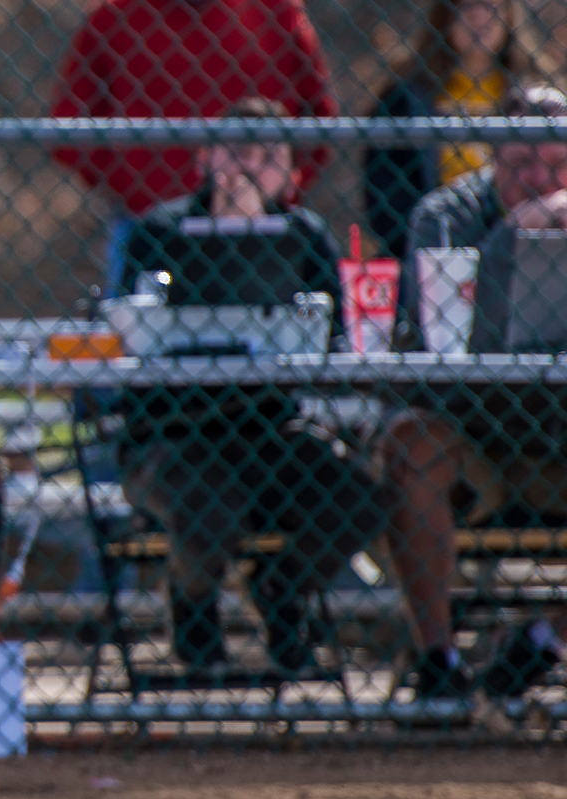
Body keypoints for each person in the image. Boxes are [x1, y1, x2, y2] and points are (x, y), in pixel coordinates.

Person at [116, 98, 389, 674]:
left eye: (268, 157)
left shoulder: (301, 234)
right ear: (206, 158)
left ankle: (278, 588)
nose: (248, 169)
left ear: (291, 172)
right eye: (236, 153)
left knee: (358, 500)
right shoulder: (161, 232)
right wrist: (220, 233)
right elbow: (133, 330)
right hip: (174, 432)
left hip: (270, 429)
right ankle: (192, 608)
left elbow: (332, 336)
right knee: (210, 503)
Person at [381, 85, 567, 700]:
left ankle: (546, 640)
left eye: (559, 167)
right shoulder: (447, 215)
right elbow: (442, 336)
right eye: (521, 167)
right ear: (492, 161)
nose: (541, 181)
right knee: (409, 441)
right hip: (479, 438)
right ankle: (439, 663)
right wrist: (515, 234)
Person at [49, 0, 338, 288]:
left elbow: (321, 116)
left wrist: (282, 185)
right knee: (137, 320)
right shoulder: (114, 15)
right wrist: (127, 182)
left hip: (269, 225)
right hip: (148, 225)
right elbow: (67, 124)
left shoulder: (276, 10)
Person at [363, 0, 543, 258]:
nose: (479, 19)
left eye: (493, 8)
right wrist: (425, 238)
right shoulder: (407, 96)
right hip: (439, 236)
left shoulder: (535, 93)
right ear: (445, 16)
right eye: (468, 7)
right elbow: (385, 191)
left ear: (510, 17)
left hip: (522, 239)